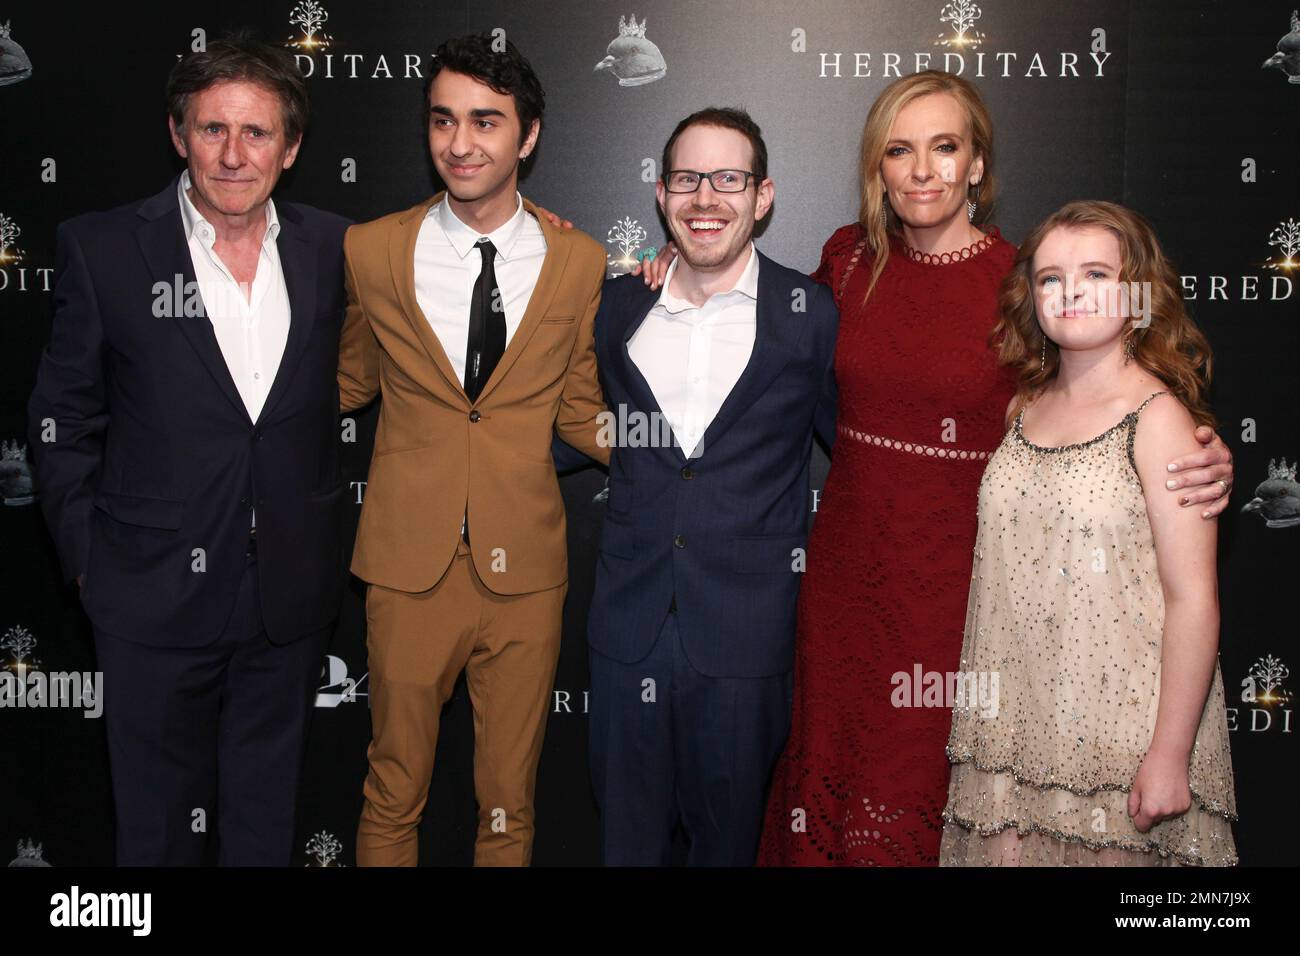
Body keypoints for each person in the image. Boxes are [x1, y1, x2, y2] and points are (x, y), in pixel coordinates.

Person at [628, 71, 1236, 865]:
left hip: (964, 595)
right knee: (830, 792)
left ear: (977, 165)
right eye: (899, 151)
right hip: (844, 581)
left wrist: (1196, 447)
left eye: (944, 148)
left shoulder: (1024, 282)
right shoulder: (848, 262)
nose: (921, 170)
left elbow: (1099, 394)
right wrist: (668, 266)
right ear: (877, 169)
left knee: (923, 792)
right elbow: (759, 329)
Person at [27, 37, 350, 865]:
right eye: (213, 130)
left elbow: (460, 259)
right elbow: (60, 419)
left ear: (292, 146)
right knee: (155, 833)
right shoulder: (103, 249)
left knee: (262, 826)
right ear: (179, 135)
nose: (234, 155)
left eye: (256, 133)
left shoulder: (338, 250)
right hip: (146, 592)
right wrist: (89, 562)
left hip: (285, 595)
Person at [337, 34, 609, 867]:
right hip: (405, 568)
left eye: (486, 122)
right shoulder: (370, 250)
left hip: (526, 573)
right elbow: (342, 386)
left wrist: (695, 451)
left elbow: (579, 413)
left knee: (508, 805)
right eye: (443, 120)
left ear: (526, 136)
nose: (461, 143)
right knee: (392, 791)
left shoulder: (579, 260)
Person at [939, 200, 1237, 866]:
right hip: (1014, 731)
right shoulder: (1025, 405)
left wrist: (1169, 754)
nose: (1070, 291)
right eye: (1050, 277)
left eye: (1096, 274)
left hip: (1120, 739)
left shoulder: (1160, 420)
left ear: (1139, 293)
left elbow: (1193, 599)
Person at [584, 107, 838, 865]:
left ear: (762, 196)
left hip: (746, 634)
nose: (706, 198)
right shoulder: (617, 305)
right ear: (661, 195)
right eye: (689, 179)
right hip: (627, 631)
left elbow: (859, 442)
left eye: (729, 179)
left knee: (729, 847)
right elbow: (566, 420)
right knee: (624, 844)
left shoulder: (809, 315)